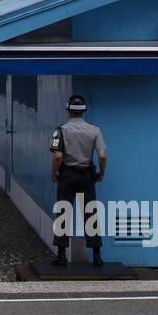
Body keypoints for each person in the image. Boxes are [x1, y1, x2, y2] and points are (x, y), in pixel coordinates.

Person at [49, 94, 107, 267]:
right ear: (84, 111)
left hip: (66, 175)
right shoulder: (95, 130)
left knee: (63, 213)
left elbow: (58, 156)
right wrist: (101, 174)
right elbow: (102, 156)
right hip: (87, 176)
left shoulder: (59, 130)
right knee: (90, 214)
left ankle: (61, 255)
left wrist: (54, 173)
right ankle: (96, 256)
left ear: (68, 110)